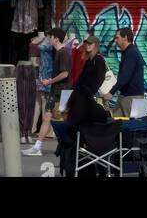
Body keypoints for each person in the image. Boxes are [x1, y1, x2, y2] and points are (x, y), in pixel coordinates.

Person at [26, 27, 72, 156]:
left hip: (62, 92)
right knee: (47, 118)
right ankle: (37, 147)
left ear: (56, 38)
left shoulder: (63, 53)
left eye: (50, 37)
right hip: (55, 91)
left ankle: (67, 148)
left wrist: (49, 81)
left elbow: (65, 74)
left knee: (61, 121)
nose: (49, 39)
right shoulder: (57, 52)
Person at [65, 36, 110, 126]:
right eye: (87, 43)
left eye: (90, 44)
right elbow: (81, 78)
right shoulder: (89, 60)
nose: (87, 45)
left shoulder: (98, 59)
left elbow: (99, 79)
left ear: (95, 45)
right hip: (82, 95)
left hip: (88, 96)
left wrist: (88, 91)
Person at [110, 27, 146, 117]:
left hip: (132, 97)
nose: (115, 40)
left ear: (125, 37)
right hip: (125, 96)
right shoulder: (128, 52)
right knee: (115, 123)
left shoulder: (131, 53)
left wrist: (111, 92)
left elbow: (125, 76)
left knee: (134, 127)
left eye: (117, 37)